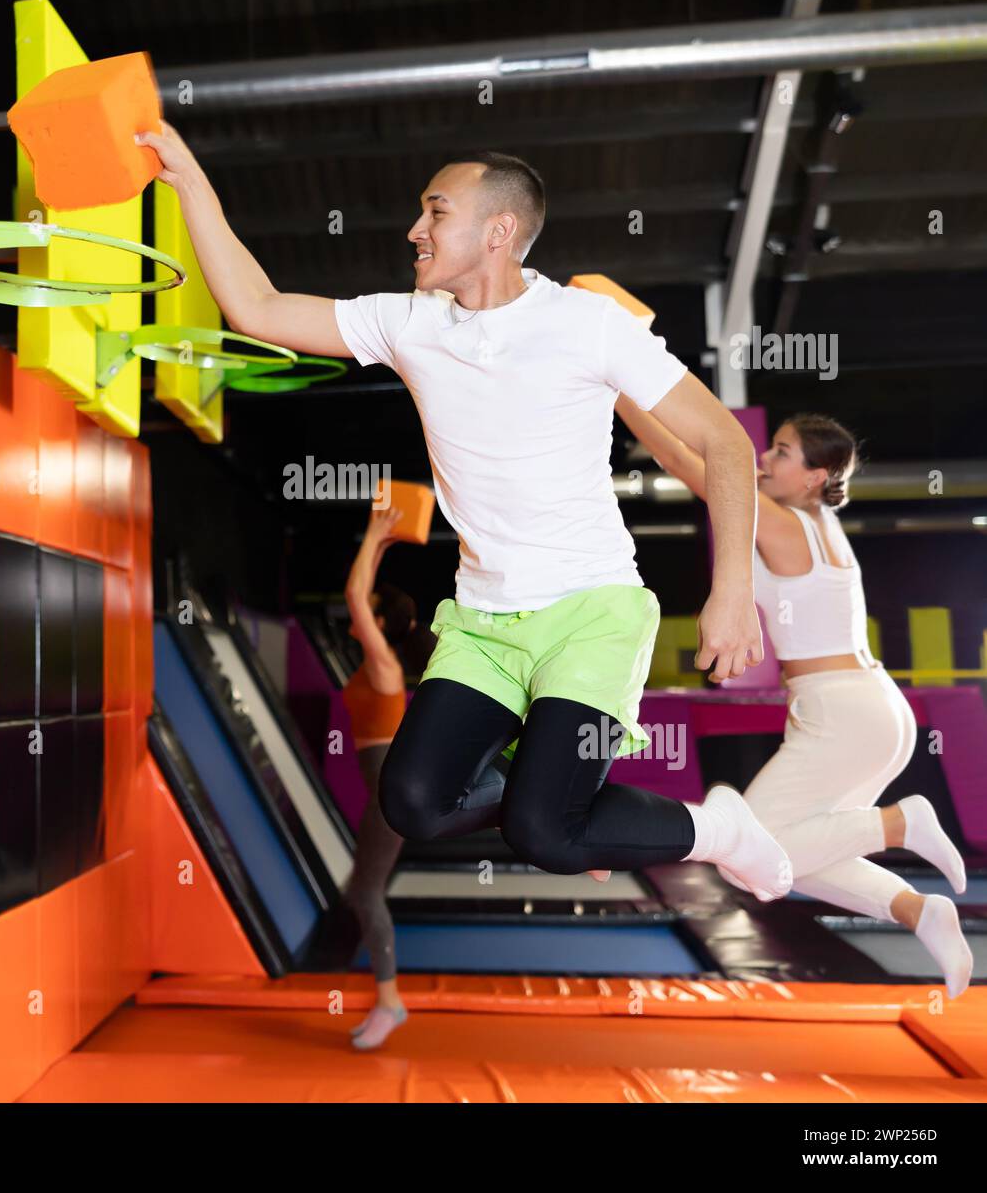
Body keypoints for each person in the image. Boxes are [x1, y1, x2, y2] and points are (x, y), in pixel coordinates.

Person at [135, 123, 792, 902]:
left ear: (498, 232)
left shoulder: (589, 325)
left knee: (543, 833)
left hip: (591, 612)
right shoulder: (411, 324)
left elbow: (722, 441)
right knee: (413, 801)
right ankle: (570, 809)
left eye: (435, 212)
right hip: (484, 623)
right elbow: (259, 306)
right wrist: (187, 181)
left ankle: (715, 829)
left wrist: (729, 593)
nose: (415, 230)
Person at [615, 400, 973, 997]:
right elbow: (694, 458)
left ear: (813, 478)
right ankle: (918, 910)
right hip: (867, 709)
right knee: (794, 860)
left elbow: (683, 459)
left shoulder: (783, 524)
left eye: (781, 452)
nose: (763, 457)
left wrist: (625, 390)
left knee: (747, 851)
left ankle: (898, 823)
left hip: (845, 714)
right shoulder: (819, 524)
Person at [339, 504, 438, 1049]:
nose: (355, 612)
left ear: (379, 624)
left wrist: (376, 533)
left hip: (388, 795)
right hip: (380, 792)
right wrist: (380, 545)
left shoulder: (384, 666)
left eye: (367, 611)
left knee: (365, 893)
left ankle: (390, 1001)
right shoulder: (373, 658)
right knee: (361, 890)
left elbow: (356, 597)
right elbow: (363, 598)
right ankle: (386, 999)